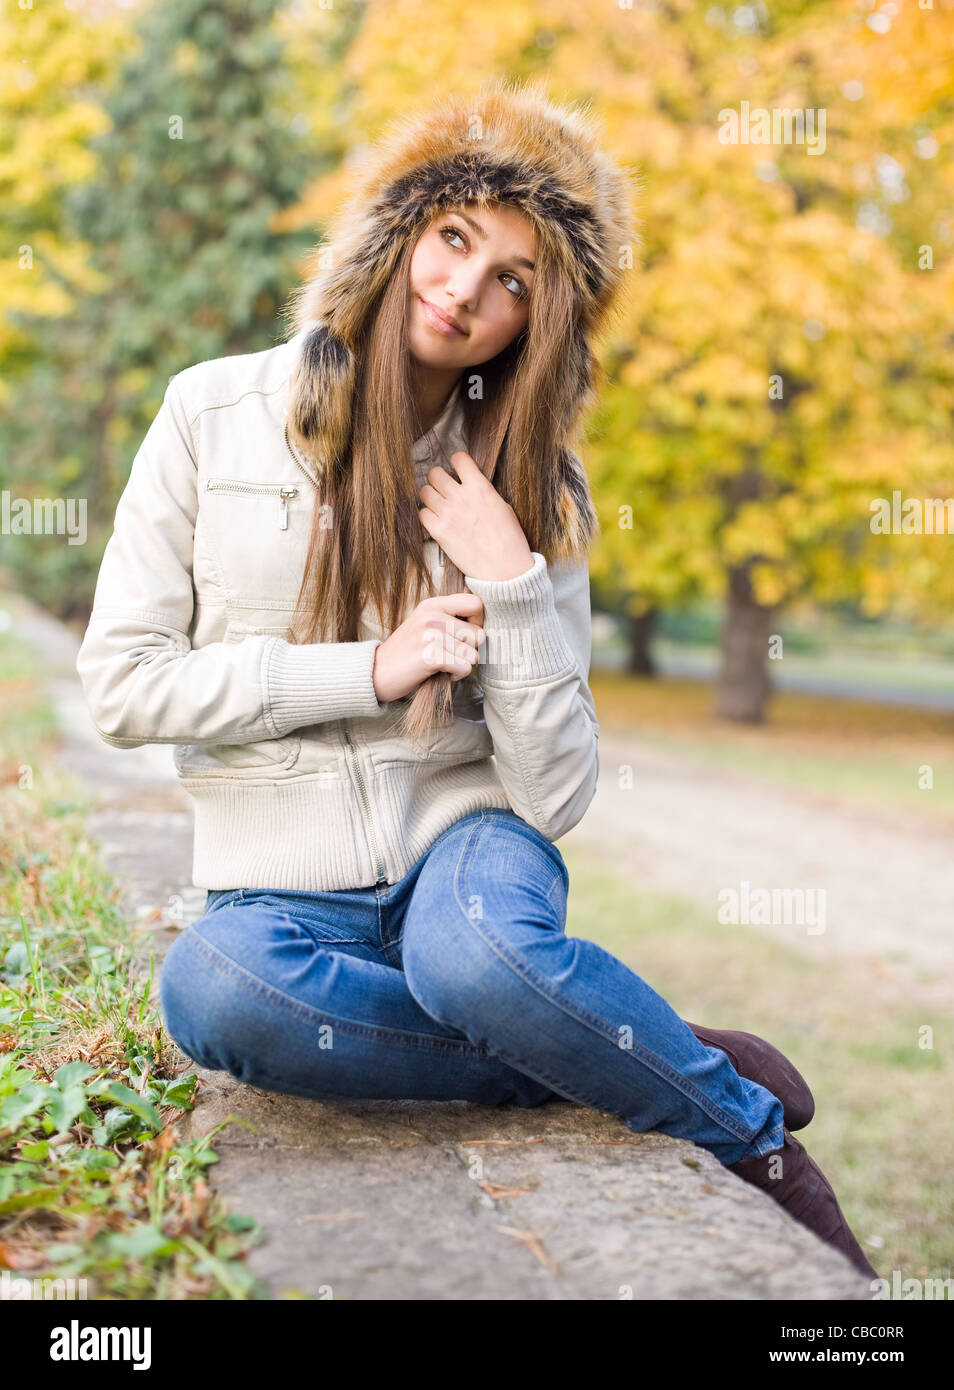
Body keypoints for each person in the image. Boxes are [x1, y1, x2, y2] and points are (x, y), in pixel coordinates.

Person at [76, 77, 876, 1282]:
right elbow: (125, 684)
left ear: (538, 322)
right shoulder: (210, 414)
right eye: (454, 240)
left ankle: (749, 1142)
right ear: (397, 235)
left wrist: (513, 577)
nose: (464, 291)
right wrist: (366, 669)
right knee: (214, 991)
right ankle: (627, 1047)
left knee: (474, 959)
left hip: (469, 844)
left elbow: (554, 795)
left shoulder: (537, 490)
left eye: (514, 279)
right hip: (277, 885)